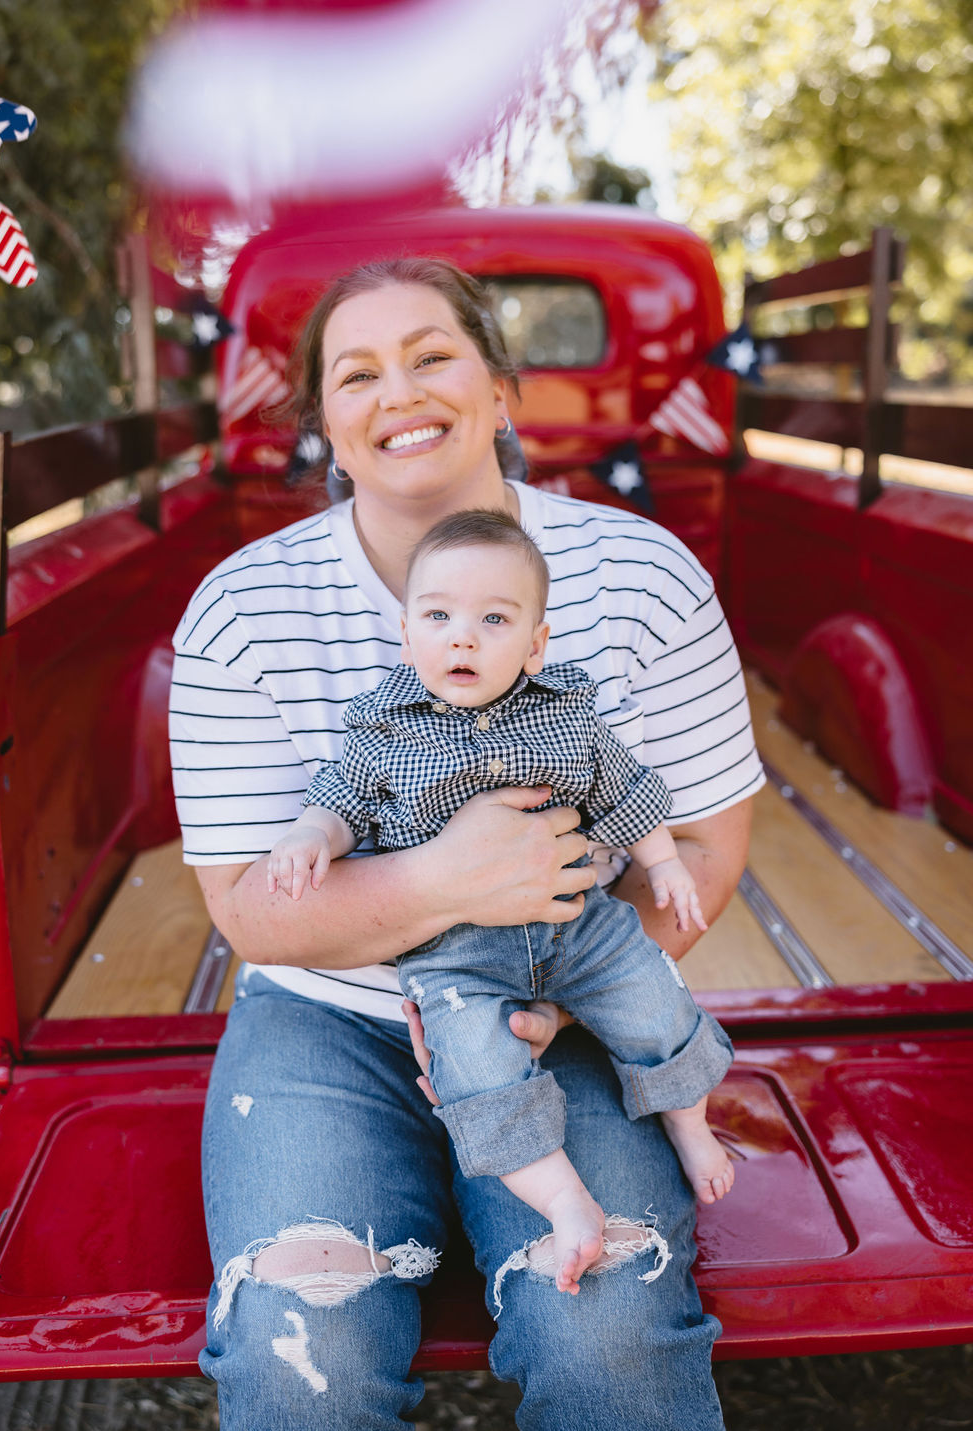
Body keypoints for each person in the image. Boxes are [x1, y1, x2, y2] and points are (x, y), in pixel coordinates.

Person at [169, 256, 765, 1430]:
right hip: (324, 1015)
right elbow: (248, 904)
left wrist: (564, 993)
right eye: (358, 373)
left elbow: (700, 843)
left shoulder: (643, 575)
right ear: (327, 430)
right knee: (304, 1356)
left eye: (433, 356)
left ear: (500, 391)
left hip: (569, 1003)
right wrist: (446, 880)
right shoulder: (243, 608)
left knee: (614, 1334)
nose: (400, 391)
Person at [266, 507, 735, 1300]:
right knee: (476, 1067)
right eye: (439, 616)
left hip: (577, 925)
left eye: (494, 618)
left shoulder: (565, 714)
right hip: (455, 954)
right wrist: (311, 836)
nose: (463, 638)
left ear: (536, 643)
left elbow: (624, 789)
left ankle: (689, 1121)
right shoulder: (386, 730)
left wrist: (663, 864)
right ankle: (565, 1199)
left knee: (651, 994)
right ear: (408, 633)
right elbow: (341, 799)